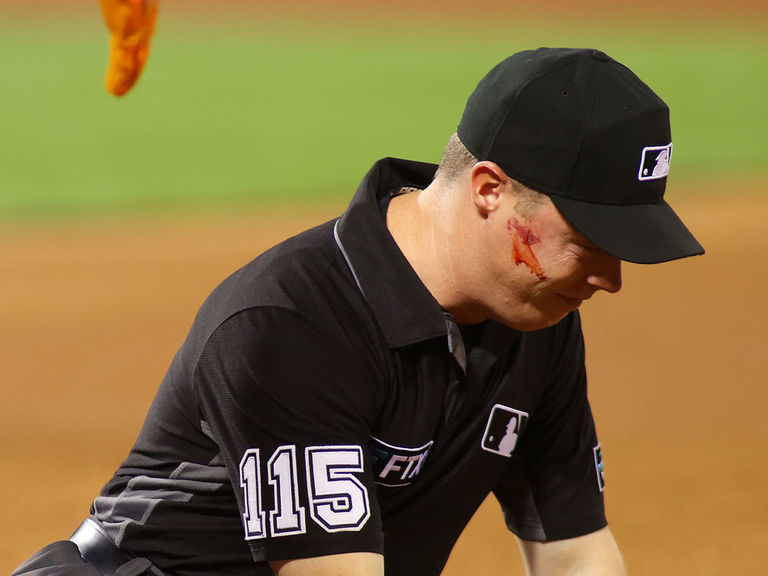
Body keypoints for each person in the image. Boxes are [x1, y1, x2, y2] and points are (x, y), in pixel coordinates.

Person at [13, 47, 704, 576]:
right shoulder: (292, 323)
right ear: (491, 190)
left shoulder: (538, 322)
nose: (612, 278)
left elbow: (576, 552)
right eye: (591, 241)